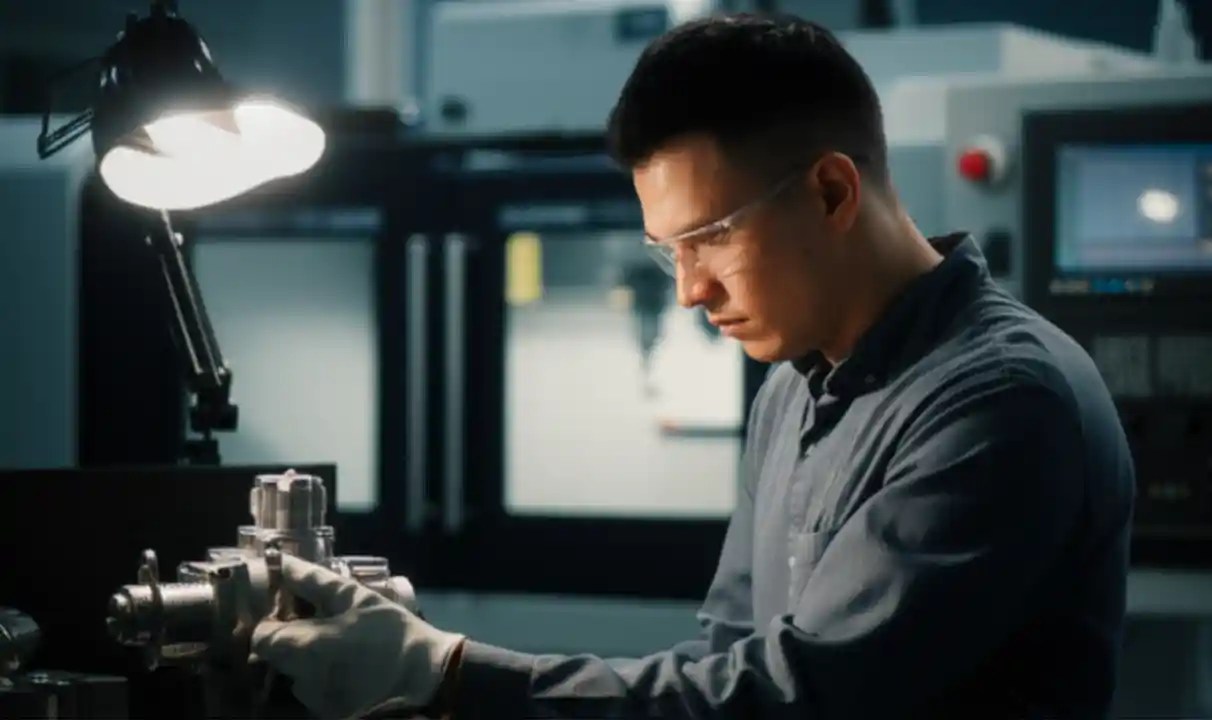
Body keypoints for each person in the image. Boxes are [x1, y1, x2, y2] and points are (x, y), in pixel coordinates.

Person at [251, 13, 1136, 719]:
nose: (689, 291)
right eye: (664, 250)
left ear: (833, 190)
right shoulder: (792, 390)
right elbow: (724, 663)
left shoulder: (1002, 402)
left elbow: (802, 697)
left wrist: (446, 672)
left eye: (711, 237)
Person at [620, 258, 673, 394]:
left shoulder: (641, 273)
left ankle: (647, 360)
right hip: (650, 310)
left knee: (649, 335)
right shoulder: (658, 272)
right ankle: (647, 360)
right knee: (650, 335)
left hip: (648, 310)